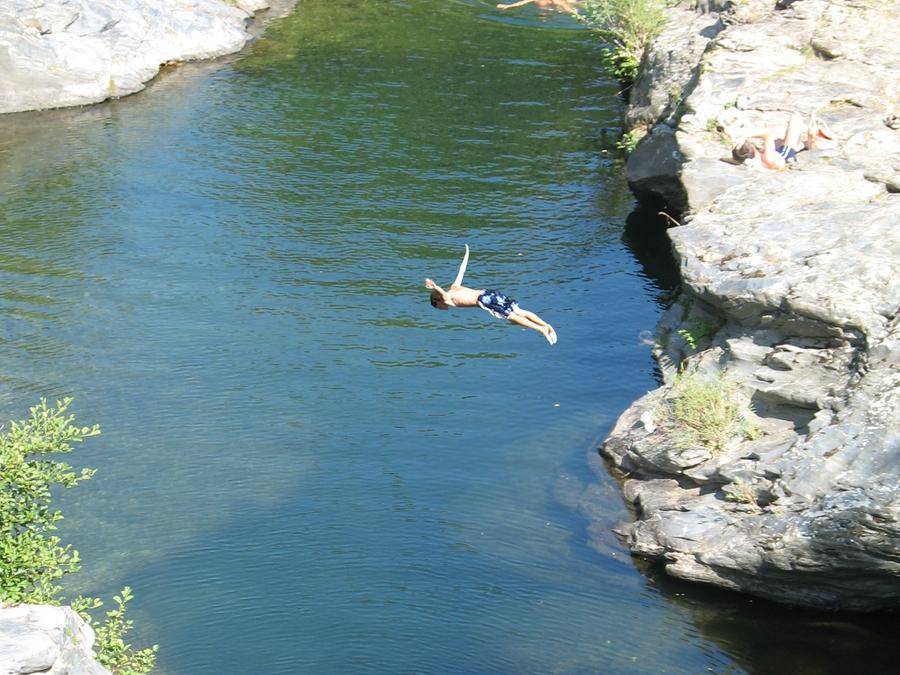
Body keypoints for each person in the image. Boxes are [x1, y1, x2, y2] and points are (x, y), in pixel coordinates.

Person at [425, 245, 558, 345]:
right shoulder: (455, 287)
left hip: (484, 300)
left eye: (437, 306)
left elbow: (443, 294)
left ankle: (541, 329)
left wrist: (434, 286)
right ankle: (547, 325)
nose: (441, 309)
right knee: (518, 310)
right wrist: (467, 254)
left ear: (438, 300)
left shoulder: (448, 300)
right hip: (489, 292)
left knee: (511, 317)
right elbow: (462, 270)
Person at [725, 112, 835, 170]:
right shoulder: (767, 158)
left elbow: (735, 151)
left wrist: (734, 136)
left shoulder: (744, 158)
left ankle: (807, 142)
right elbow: (768, 134)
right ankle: (811, 141)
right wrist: (747, 134)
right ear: (753, 148)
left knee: (783, 141)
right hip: (785, 154)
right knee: (795, 118)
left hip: (778, 152)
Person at [496, 0, 575, 13]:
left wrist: (572, 11)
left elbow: (564, 5)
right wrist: (507, 6)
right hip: (547, 8)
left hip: (553, 8)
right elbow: (521, 3)